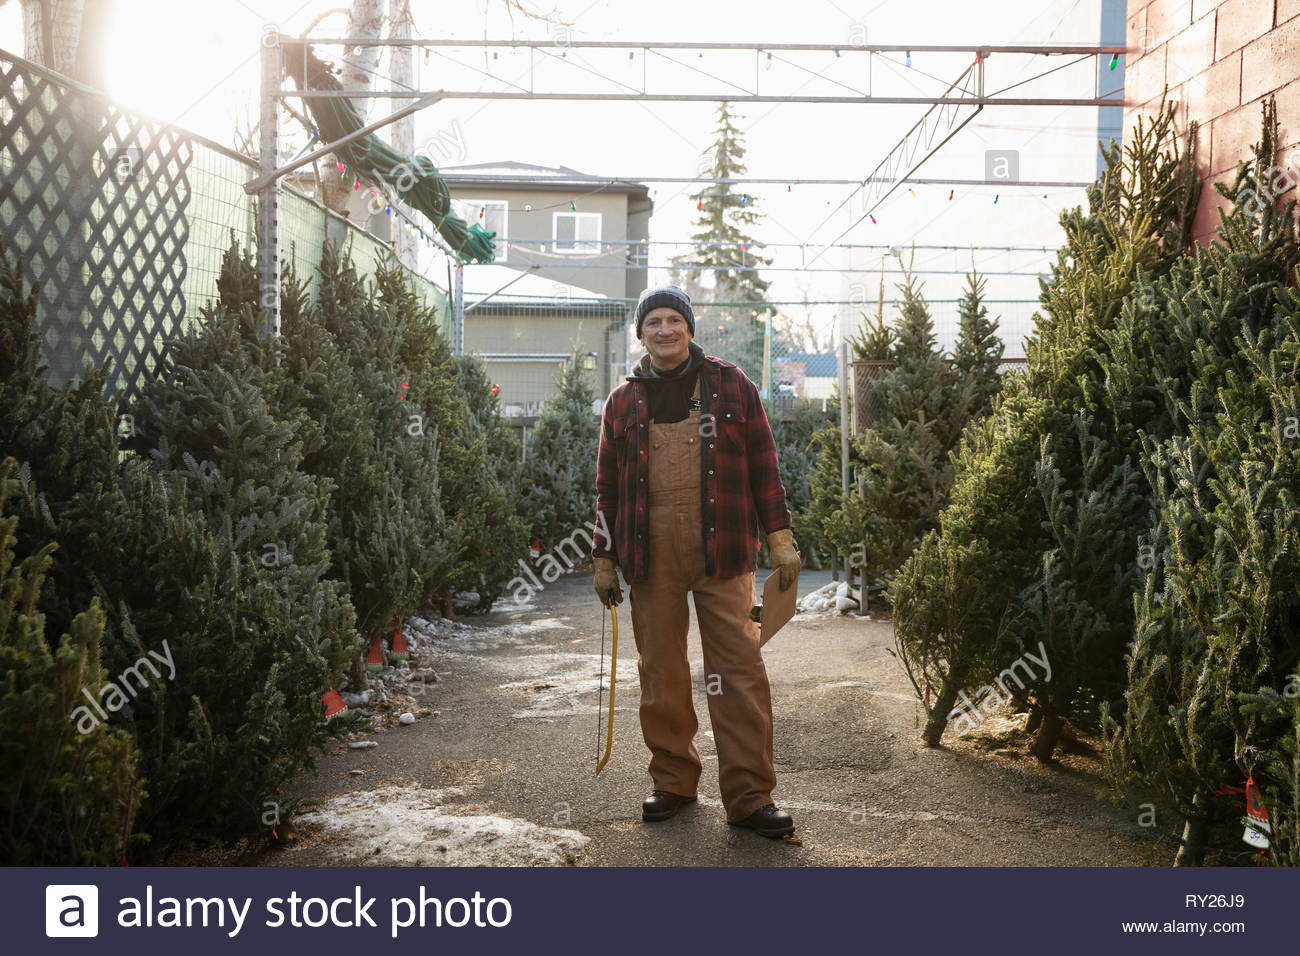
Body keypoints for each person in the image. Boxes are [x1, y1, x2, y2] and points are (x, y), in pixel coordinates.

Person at [591, 283, 801, 839]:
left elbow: (764, 466)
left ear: (689, 327)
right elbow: (607, 489)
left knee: (738, 673)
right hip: (648, 557)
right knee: (661, 673)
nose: (664, 330)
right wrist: (604, 557)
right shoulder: (623, 403)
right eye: (653, 321)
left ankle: (751, 797)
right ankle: (675, 782)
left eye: (673, 320)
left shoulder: (734, 386)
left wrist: (779, 535)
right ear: (641, 333)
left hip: (724, 552)